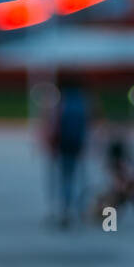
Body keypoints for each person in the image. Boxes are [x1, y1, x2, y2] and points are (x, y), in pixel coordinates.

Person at [44, 72, 91, 227]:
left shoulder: (60, 102)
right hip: (78, 144)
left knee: (64, 179)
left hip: (63, 145)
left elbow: (52, 125)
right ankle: (80, 210)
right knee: (79, 178)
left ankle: (65, 211)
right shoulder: (83, 102)